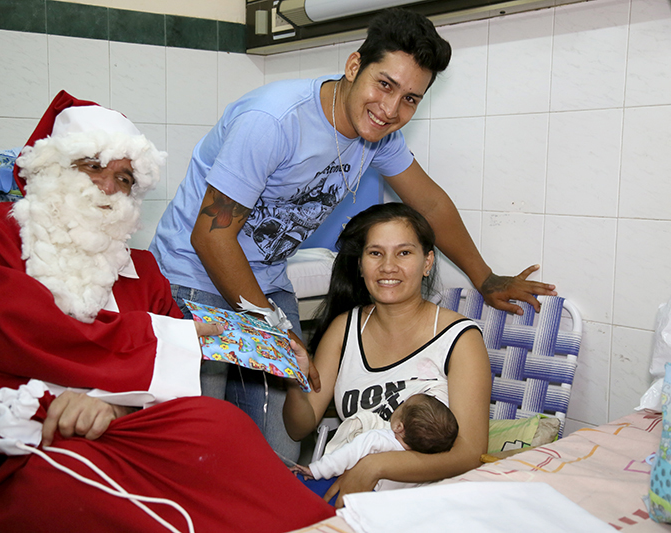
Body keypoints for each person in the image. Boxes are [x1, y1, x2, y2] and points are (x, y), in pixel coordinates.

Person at [0, 91, 335, 533]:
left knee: (222, 425)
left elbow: (172, 371)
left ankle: (320, 523)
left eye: (125, 179)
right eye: (92, 167)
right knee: (74, 483)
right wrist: (165, 340)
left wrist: (115, 404)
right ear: (52, 167)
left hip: (101, 436)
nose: (108, 188)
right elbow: (21, 332)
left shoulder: (143, 272)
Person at [148, 7, 554, 462]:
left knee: (280, 452)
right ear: (354, 65)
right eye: (385, 85)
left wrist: (485, 277)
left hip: (264, 282)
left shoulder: (377, 136)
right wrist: (275, 326)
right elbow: (211, 237)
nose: (390, 110)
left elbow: (430, 204)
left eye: (410, 99)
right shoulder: (274, 120)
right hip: (194, 279)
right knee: (197, 446)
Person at [283, 202, 492, 507]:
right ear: (360, 264)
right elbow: (298, 427)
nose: (388, 266)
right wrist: (293, 378)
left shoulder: (460, 338)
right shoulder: (345, 328)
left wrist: (375, 466)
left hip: (424, 498)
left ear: (427, 262)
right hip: (345, 487)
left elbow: (471, 453)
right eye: (375, 253)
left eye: (404, 253)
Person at [295, 393, 458, 487]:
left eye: (402, 406)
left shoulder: (379, 438)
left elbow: (347, 454)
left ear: (399, 427)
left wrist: (316, 470)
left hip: (350, 488)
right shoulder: (419, 469)